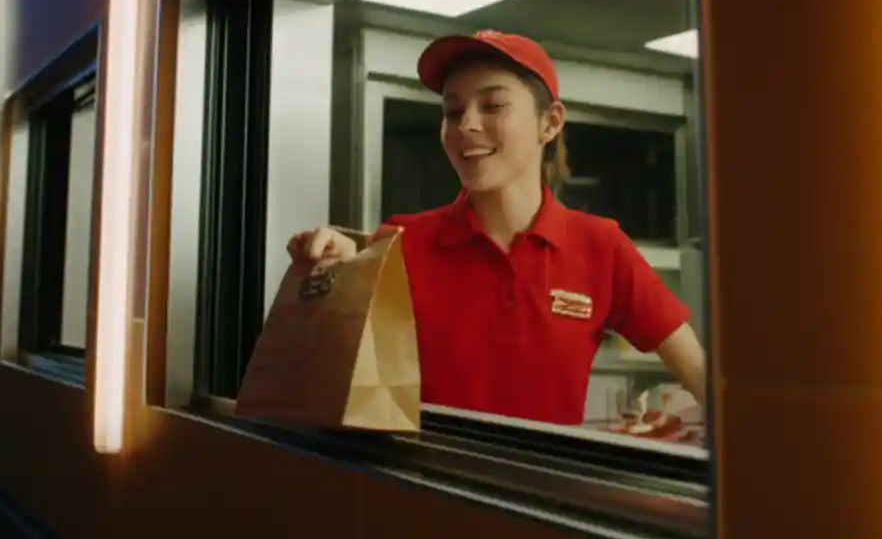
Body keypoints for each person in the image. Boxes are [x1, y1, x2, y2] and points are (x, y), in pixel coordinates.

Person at [287, 30, 707, 427]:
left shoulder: (601, 246)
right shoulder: (400, 241)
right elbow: (335, 376)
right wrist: (343, 272)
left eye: (492, 105)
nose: (466, 125)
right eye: (453, 111)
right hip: (422, 476)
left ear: (550, 122)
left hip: (542, 480)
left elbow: (697, 370)